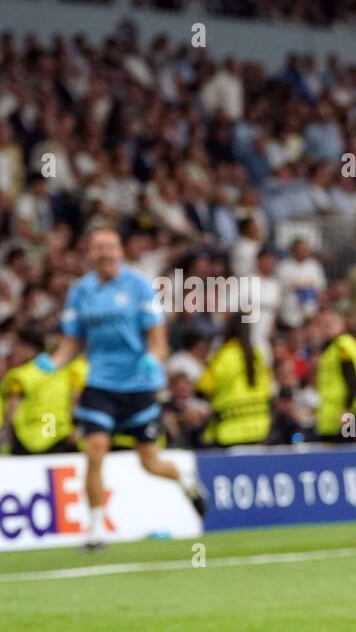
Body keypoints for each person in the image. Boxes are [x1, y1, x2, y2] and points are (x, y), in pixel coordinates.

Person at [41, 228, 206, 551]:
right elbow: (72, 341)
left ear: (120, 251)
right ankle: (95, 530)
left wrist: (152, 359)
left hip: (139, 386)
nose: (105, 253)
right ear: (90, 252)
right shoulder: (80, 291)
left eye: (110, 246)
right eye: (98, 247)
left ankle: (187, 483)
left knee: (149, 461)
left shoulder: (139, 286)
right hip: (101, 383)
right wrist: (54, 362)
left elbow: (157, 340)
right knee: (95, 450)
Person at [1, 327, 86, 454]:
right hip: (57, 435)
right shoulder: (76, 370)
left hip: (25, 438)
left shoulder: (20, 374)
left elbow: (12, 410)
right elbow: (76, 401)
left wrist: (7, 435)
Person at [196, 316, 272, 447]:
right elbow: (269, 387)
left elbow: (203, 387)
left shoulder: (222, 357)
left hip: (229, 430)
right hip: (259, 428)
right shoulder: (257, 356)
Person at [314, 306, 356, 443]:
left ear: (342, 323)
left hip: (346, 414)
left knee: (347, 454)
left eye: (329, 324)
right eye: (322, 325)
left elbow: (352, 381)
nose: (326, 329)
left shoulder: (343, 347)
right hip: (332, 415)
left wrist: (347, 410)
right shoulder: (331, 347)